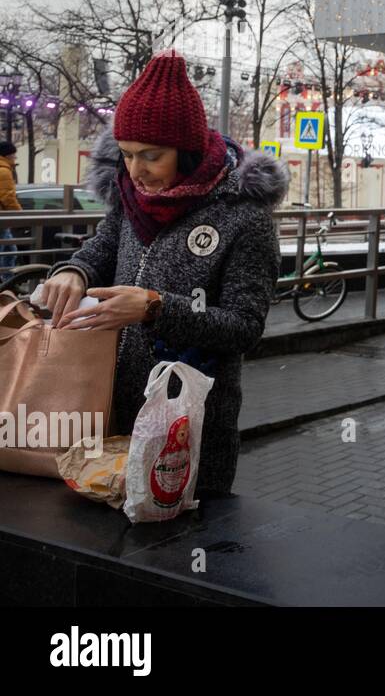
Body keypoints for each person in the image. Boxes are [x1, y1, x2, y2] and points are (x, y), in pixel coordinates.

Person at [39, 50, 288, 497]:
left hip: (190, 425)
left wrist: (154, 308)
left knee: (173, 550)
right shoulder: (129, 198)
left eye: (151, 156)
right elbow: (103, 246)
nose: (136, 171)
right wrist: (75, 271)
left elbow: (245, 328)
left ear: (188, 153)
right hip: (110, 407)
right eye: (128, 155)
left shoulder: (243, 219)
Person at [0, 139, 20, 274]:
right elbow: (8, 197)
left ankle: (8, 282)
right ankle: (6, 283)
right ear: (7, 155)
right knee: (7, 252)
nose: (15, 157)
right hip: (2, 220)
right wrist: (20, 215)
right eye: (13, 154)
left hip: (3, 221)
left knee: (10, 252)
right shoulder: (4, 171)